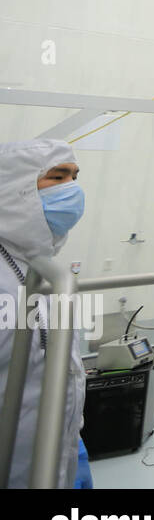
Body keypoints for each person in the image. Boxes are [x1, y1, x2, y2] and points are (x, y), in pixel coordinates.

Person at [0, 140, 87, 488]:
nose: (72, 188)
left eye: (75, 176)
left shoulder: (43, 267)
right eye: (57, 176)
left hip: (56, 447)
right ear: (16, 188)